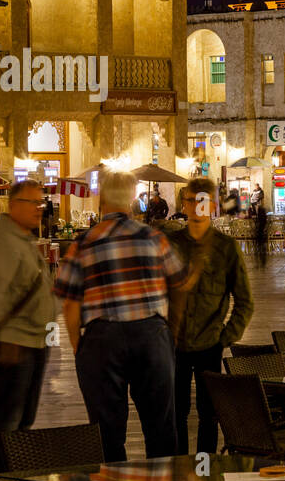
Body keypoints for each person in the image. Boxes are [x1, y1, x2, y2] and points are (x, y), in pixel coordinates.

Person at [53, 170, 188, 462]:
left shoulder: (83, 243)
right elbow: (180, 283)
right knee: (161, 427)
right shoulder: (154, 238)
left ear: (102, 200)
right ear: (130, 201)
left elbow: (69, 301)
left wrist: (79, 345)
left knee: (106, 434)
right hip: (151, 336)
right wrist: (170, 329)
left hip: (102, 340)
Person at [166, 178, 253, 454]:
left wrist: (225, 337)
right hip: (174, 344)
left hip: (209, 345)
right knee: (176, 413)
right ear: (184, 204)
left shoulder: (226, 248)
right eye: (191, 200)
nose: (196, 206)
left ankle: (205, 470)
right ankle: (178, 470)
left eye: (202, 200)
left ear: (212, 205)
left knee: (209, 414)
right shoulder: (170, 245)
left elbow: (245, 301)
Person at [0, 180, 58, 477]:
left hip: (35, 339)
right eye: (33, 204)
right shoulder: (2, 240)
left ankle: (14, 480)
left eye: (41, 203)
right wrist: (7, 335)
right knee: (8, 419)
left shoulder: (22, 238)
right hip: (16, 342)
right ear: (13, 206)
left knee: (24, 417)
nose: (40, 210)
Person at [252, 201, 269, 267]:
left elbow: (264, 220)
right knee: (257, 247)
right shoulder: (254, 210)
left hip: (261, 231)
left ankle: (262, 261)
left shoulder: (261, 210)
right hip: (256, 231)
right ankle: (258, 262)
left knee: (261, 246)